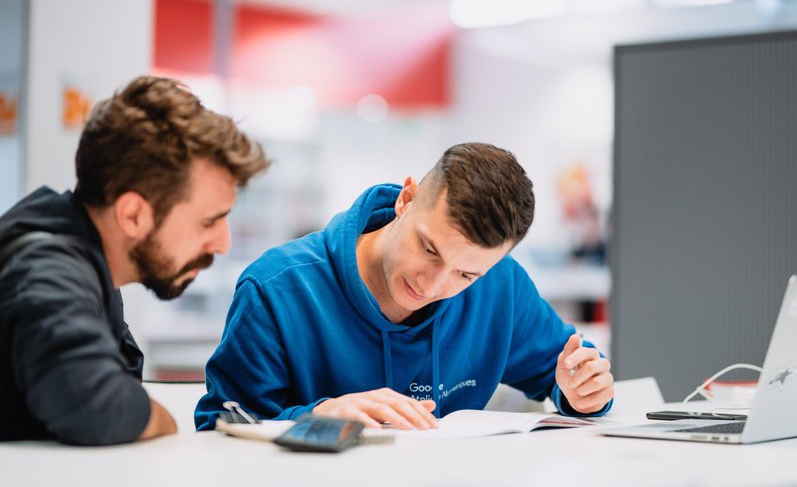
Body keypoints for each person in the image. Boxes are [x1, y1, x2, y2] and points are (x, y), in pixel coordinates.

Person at [195, 143, 613, 431]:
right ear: (406, 199)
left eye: (465, 275)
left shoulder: (501, 287)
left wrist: (583, 390)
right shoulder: (277, 289)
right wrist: (315, 416)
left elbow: (565, 375)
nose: (432, 285)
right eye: (429, 249)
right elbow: (220, 428)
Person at [0, 76, 269, 445]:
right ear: (132, 216)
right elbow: (96, 408)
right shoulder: (45, 266)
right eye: (208, 221)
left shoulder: (90, 263)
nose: (223, 243)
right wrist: (161, 418)